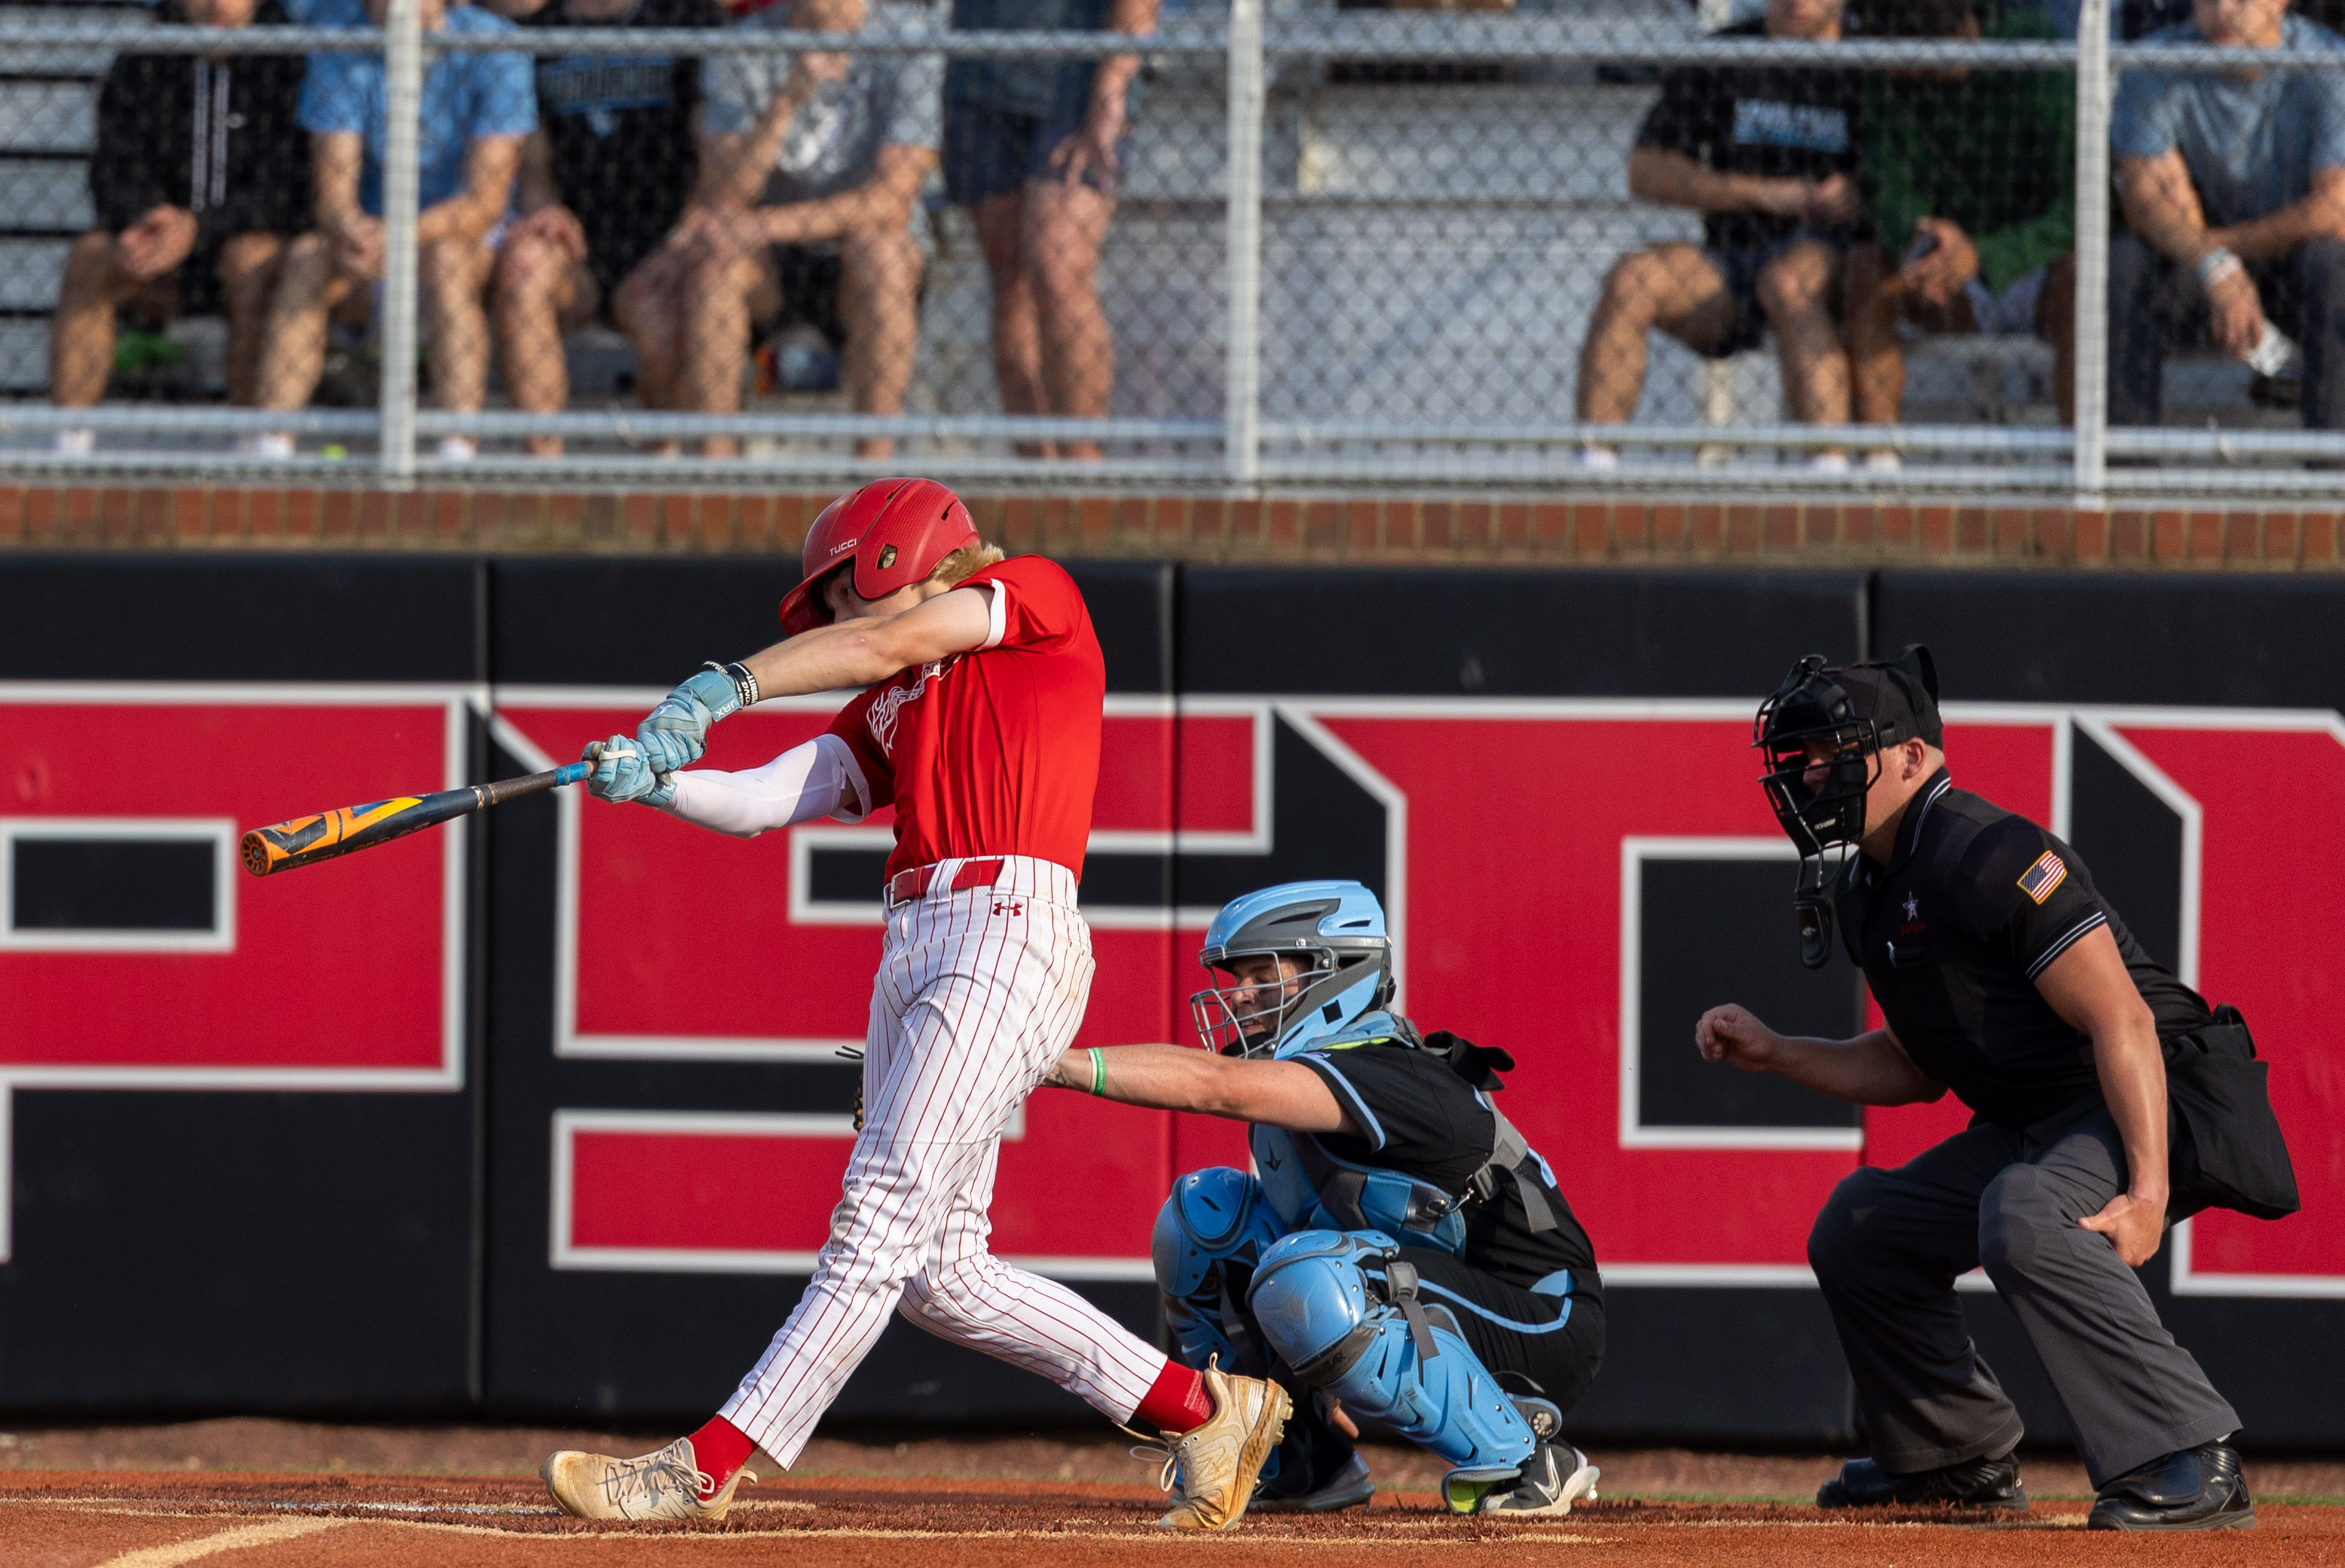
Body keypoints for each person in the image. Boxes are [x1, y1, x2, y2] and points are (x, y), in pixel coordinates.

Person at [539, 477, 1291, 1529]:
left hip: (1006, 927)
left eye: (841, 597)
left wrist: (719, 687)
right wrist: (659, 780)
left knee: (876, 1215)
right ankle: (1209, 1407)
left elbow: (872, 647)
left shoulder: (1028, 595)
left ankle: (704, 1465)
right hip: (917, 943)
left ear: (891, 556)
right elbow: (767, 796)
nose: (841, 622)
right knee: (938, 1270)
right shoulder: (898, 694)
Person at [1697, 646, 2297, 1531]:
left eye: (1834, 751)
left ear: (1911, 756)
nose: (1813, 772)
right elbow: (1916, 1066)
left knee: (2021, 1211)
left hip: (2154, 1092)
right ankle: (1954, 1459)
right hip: (2039, 1119)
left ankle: (2190, 1456)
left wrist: (2145, 1191)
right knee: (1862, 1227)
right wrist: (1779, 1052)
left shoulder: (1985, 852)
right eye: (1805, 756)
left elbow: (2121, 1022)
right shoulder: (1870, 883)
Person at [1034, 881, 1606, 1518]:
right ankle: (1300, 1459)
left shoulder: (1388, 1070)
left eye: (1262, 973)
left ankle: (1530, 1460)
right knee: (1199, 1219)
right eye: (1237, 976)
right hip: (1433, 1289)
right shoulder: (1300, 1081)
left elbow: (1213, 1086)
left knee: (1307, 1274)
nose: (1240, 995)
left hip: (1544, 1322)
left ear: (1335, 973)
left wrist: (1054, 1062)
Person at [620, 0, 941, 460]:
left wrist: (763, 225)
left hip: (852, 248)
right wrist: (788, 100)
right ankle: (717, 474)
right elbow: (727, 191)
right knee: (716, 268)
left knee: (883, 258)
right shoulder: (743, 46)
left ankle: (875, 481)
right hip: (767, 262)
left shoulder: (910, 40)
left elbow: (892, 200)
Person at [1577, 0, 1863, 470]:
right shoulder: (1727, 55)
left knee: (1787, 283)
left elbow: (1909, 177)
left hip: (1830, 258)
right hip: (1731, 259)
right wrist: (1759, 193)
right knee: (1632, 280)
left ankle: (1829, 481)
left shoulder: (1869, 60)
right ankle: (1593, 469)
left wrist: (1859, 192)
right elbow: (1647, 170)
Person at [252, 0, 536, 460]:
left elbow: (484, 204)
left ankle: (456, 446)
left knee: (446, 260)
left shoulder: (497, 46)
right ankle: (271, 439)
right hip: (372, 238)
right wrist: (353, 228)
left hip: (457, 237)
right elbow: (334, 193)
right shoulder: (342, 40)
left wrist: (402, 233)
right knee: (308, 255)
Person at [48, 0, 308, 451]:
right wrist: (144, 218)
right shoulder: (143, 62)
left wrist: (200, 227)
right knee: (90, 257)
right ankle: (70, 445)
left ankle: (254, 445)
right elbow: (111, 168)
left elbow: (288, 190)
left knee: (253, 260)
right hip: (160, 250)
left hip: (241, 248)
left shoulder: (288, 65)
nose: (217, 5)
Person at [1844, 0, 2077, 452]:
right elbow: (1885, 183)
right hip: (1940, 274)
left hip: (2034, 268)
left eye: (1946, 38)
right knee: (1864, 268)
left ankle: (2081, 473)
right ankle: (1877, 472)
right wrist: (1921, 242)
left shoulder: (2034, 48)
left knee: (2084, 277)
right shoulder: (1889, 64)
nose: (1927, 64)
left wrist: (1983, 255)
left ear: (1971, 22)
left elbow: (2081, 203)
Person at [491, 0, 722, 456]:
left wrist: (682, 236)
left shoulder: (686, 18)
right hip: (576, 245)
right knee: (524, 267)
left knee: (663, 315)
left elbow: (712, 158)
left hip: (660, 238)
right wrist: (545, 210)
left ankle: (665, 463)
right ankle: (543, 472)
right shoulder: (538, 28)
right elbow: (532, 163)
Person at [2111, 0, 2345, 428]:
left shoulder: (2329, 62)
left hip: (2288, 266)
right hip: (2197, 272)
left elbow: (2333, 210)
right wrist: (2213, 267)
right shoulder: (2155, 61)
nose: (2222, 9)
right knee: (2125, 263)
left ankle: (2332, 474)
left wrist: (2222, 252)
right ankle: (2126, 467)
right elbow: (2146, 201)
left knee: (2333, 263)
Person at [942, 0, 1152, 460]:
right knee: (1010, 282)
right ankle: (1038, 478)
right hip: (979, 76)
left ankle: (1081, 477)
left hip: (1077, 80)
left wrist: (1112, 83)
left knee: (1059, 272)